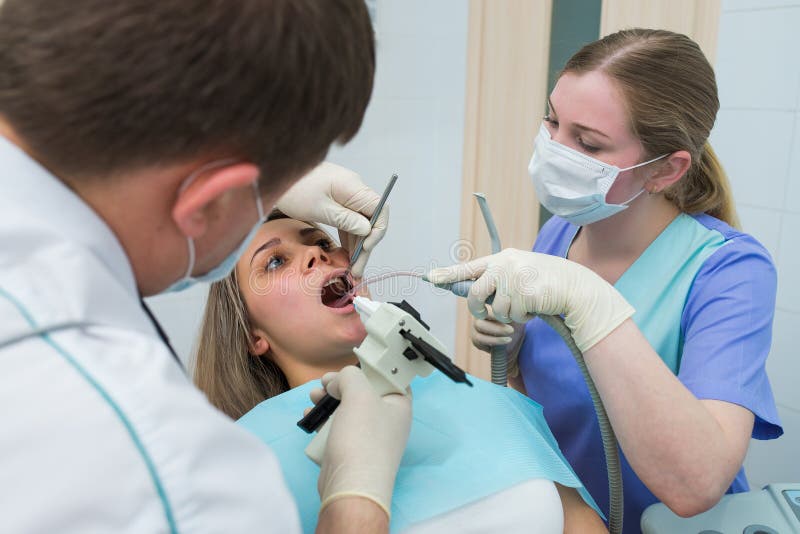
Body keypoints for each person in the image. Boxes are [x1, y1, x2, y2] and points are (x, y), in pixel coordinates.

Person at [0, 1, 408, 532]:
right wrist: (357, 495)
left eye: (319, 239)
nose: (318, 252)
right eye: (273, 251)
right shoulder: (166, 465)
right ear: (211, 201)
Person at [428, 29, 782, 533]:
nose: (553, 148)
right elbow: (556, 411)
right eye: (552, 120)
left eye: (587, 142)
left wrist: (591, 302)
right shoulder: (559, 233)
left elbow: (696, 485)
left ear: (665, 169)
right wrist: (513, 347)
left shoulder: (731, 272)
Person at [193, 211, 608, 534]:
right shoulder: (238, 460)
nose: (318, 254)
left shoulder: (492, 402)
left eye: (322, 241)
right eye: (275, 262)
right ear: (253, 336)